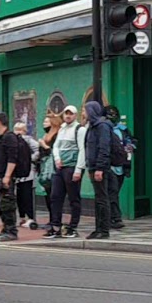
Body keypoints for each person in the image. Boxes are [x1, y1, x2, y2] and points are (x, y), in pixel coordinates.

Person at [43, 105, 85, 239]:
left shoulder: (80, 129)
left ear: (75, 115)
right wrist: (57, 159)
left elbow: (83, 150)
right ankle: (56, 227)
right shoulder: (61, 128)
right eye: (66, 114)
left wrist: (78, 170)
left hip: (72, 167)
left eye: (70, 114)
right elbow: (56, 146)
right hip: (60, 167)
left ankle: (73, 227)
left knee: (73, 198)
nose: (68, 116)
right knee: (55, 197)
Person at [81, 101, 114, 239]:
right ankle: (98, 228)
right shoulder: (92, 127)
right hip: (93, 167)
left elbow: (104, 148)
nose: (83, 113)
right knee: (98, 198)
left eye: (84, 110)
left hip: (100, 168)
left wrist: (100, 168)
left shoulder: (102, 126)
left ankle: (104, 230)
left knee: (102, 198)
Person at [0, 112, 21, 241]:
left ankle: (12, 231)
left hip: (4, 176)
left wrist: (7, 177)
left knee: (7, 204)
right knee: (1, 205)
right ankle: (5, 228)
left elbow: (12, 159)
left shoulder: (9, 137)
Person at [13, 121, 40, 230]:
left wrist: (30, 159)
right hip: (17, 174)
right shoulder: (13, 141)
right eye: (16, 129)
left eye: (21, 129)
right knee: (19, 196)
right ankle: (22, 216)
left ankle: (31, 217)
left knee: (27, 195)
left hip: (28, 173)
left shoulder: (29, 140)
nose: (19, 132)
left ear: (25, 131)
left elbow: (39, 150)